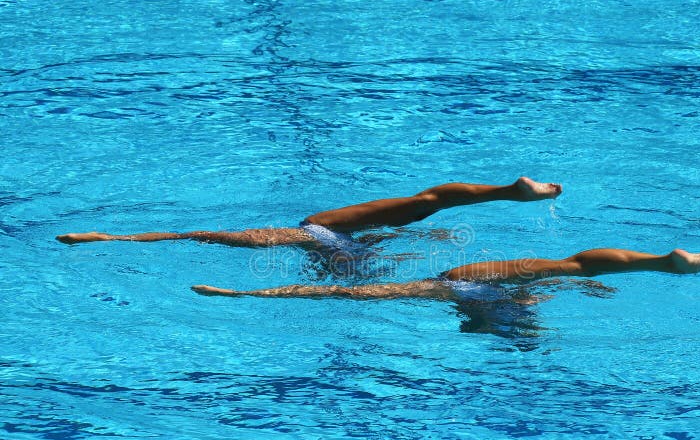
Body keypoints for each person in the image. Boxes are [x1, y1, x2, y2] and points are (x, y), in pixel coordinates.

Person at [55, 177, 563, 249]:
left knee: (426, 205)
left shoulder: (324, 247)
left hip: (328, 234)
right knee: (426, 205)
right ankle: (112, 239)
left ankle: (113, 239)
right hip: (326, 232)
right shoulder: (320, 243)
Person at [190, 248, 700, 302]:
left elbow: (333, 294)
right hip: (468, 273)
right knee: (575, 266)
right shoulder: (475, 294)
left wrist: (243, 293)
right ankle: (660, 264)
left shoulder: (473, 296)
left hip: (467, 277)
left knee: (576, 268)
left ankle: (661, 265)